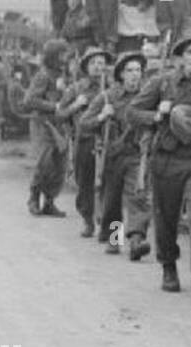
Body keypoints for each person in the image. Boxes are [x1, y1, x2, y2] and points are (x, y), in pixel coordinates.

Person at [128, 27, 191, 298]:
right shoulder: (162, 83)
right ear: (181, 57)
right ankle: (168, 266)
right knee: (166, 218)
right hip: (168, 161)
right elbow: (132, 112)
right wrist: (157, 117)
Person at [82, 49, 153, 261]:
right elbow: (84, 124)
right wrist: (103, 116)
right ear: (121, 74)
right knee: (112, 202)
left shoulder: (148, 95)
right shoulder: (107, 96)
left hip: (138, 155)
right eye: (129, 70)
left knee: (138, 197)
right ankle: (114, 238)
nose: (134, 74)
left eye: (138, 70)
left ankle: (136, 240)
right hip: (113, 156)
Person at [58, 46, 113, 235]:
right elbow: (60, 114)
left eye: (102, 63)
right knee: (85, 184)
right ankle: (88, 219)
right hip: (85, 141)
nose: (98, 67)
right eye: (94, 63)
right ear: (86, 66)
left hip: (110, 142)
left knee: (111, 188)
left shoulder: (113, 88)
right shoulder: (76, 88)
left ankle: (113, 236)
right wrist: (75, 105)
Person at [22, 38, 73, 218]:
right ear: (53, 56)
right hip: (43, 124)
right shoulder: (43, 75)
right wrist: (54, 106)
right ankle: (34, 198)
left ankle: (50, 202)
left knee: (60, 165)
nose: (65, 58)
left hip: (60, 125)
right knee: (44, 162)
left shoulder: (64, 74)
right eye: (61, 54)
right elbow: (29, 100)